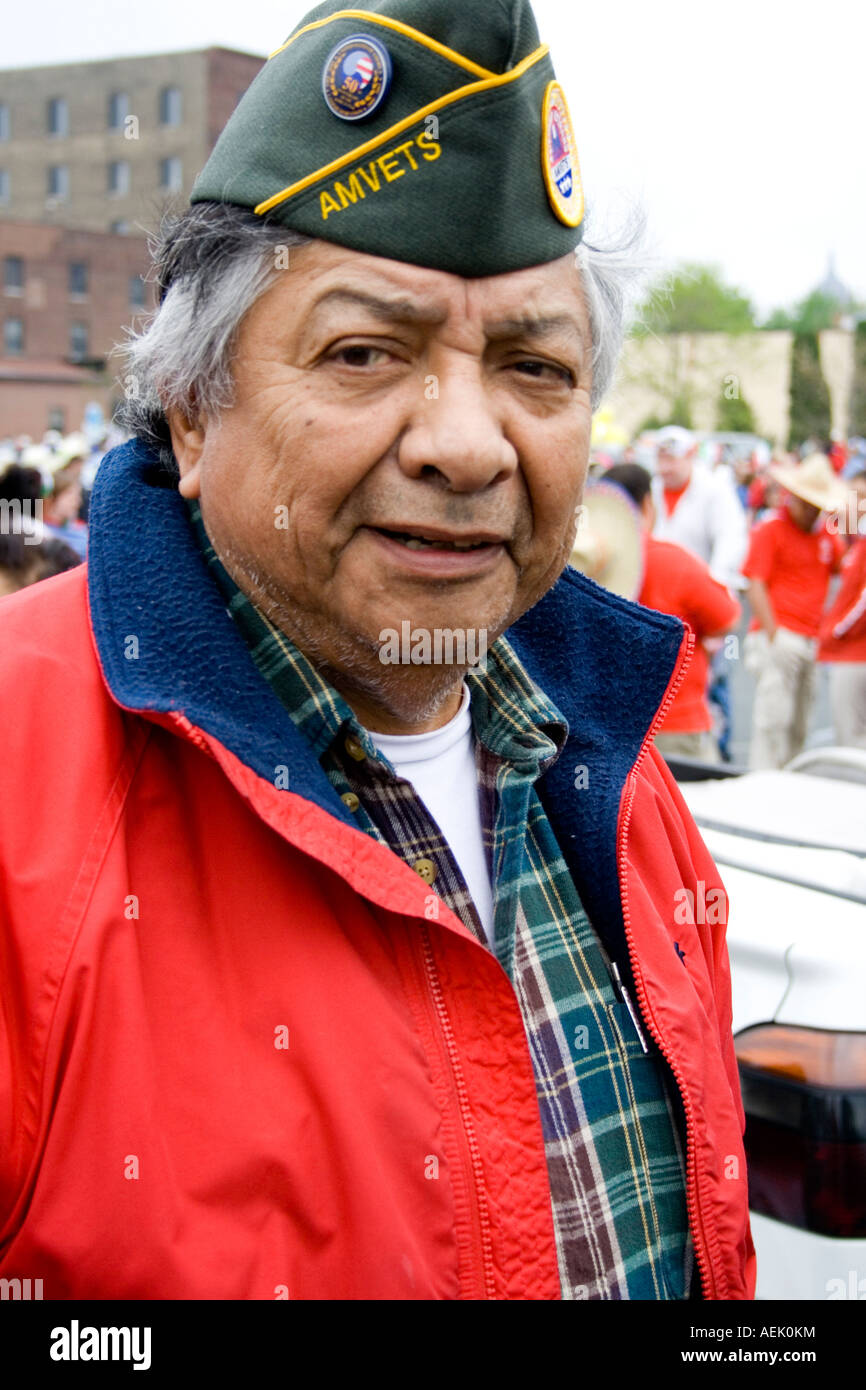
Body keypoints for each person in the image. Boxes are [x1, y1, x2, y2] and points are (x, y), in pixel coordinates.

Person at [0, 0, 753, 1301]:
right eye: (363, 352)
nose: (465, 443)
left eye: (532, 365)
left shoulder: (616, 770)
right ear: (190, 408)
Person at [604, 463, 741, 762]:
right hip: (674, 725)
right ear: (647, 504)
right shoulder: (674, 561)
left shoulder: (580, 564)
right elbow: (727, 619)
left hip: (604, 727)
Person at [743, 453, 847, 769]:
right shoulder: (771, 529)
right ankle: (763, 783)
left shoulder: (826, 535)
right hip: (783, 634)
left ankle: (787, 782)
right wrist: (774, 634)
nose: (810, 509)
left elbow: (844, 570)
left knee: (801, 724)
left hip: (810, 638)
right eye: (806, 502)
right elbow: (754, 583)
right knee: (773, 721)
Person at [818, 467, 866, 747]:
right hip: (850, 651)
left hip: (854, 654)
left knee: (852, 739)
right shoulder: (853, 540)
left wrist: (835, 631)